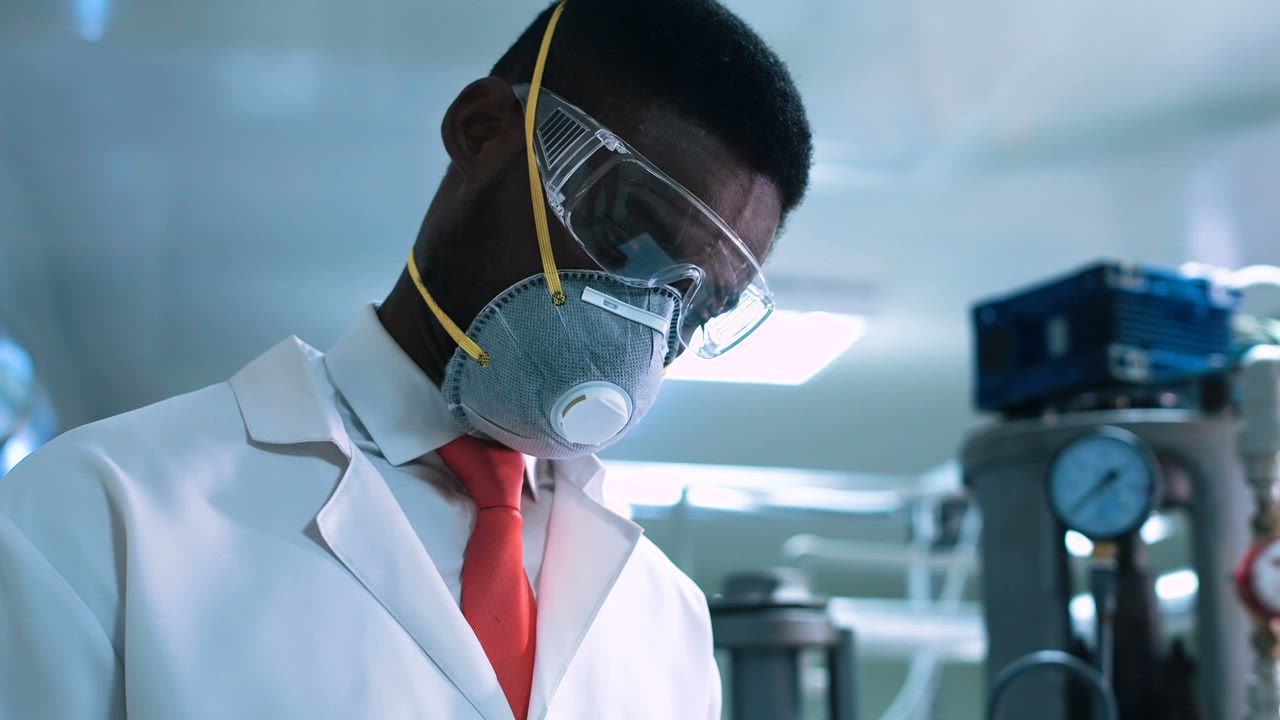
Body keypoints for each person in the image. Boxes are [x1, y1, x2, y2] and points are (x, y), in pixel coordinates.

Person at [0, 0, 812, 717]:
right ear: (484, 131)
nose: (648, 327)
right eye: (629, 240)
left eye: (697, 306)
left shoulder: (664, 621)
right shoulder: (100, 515)